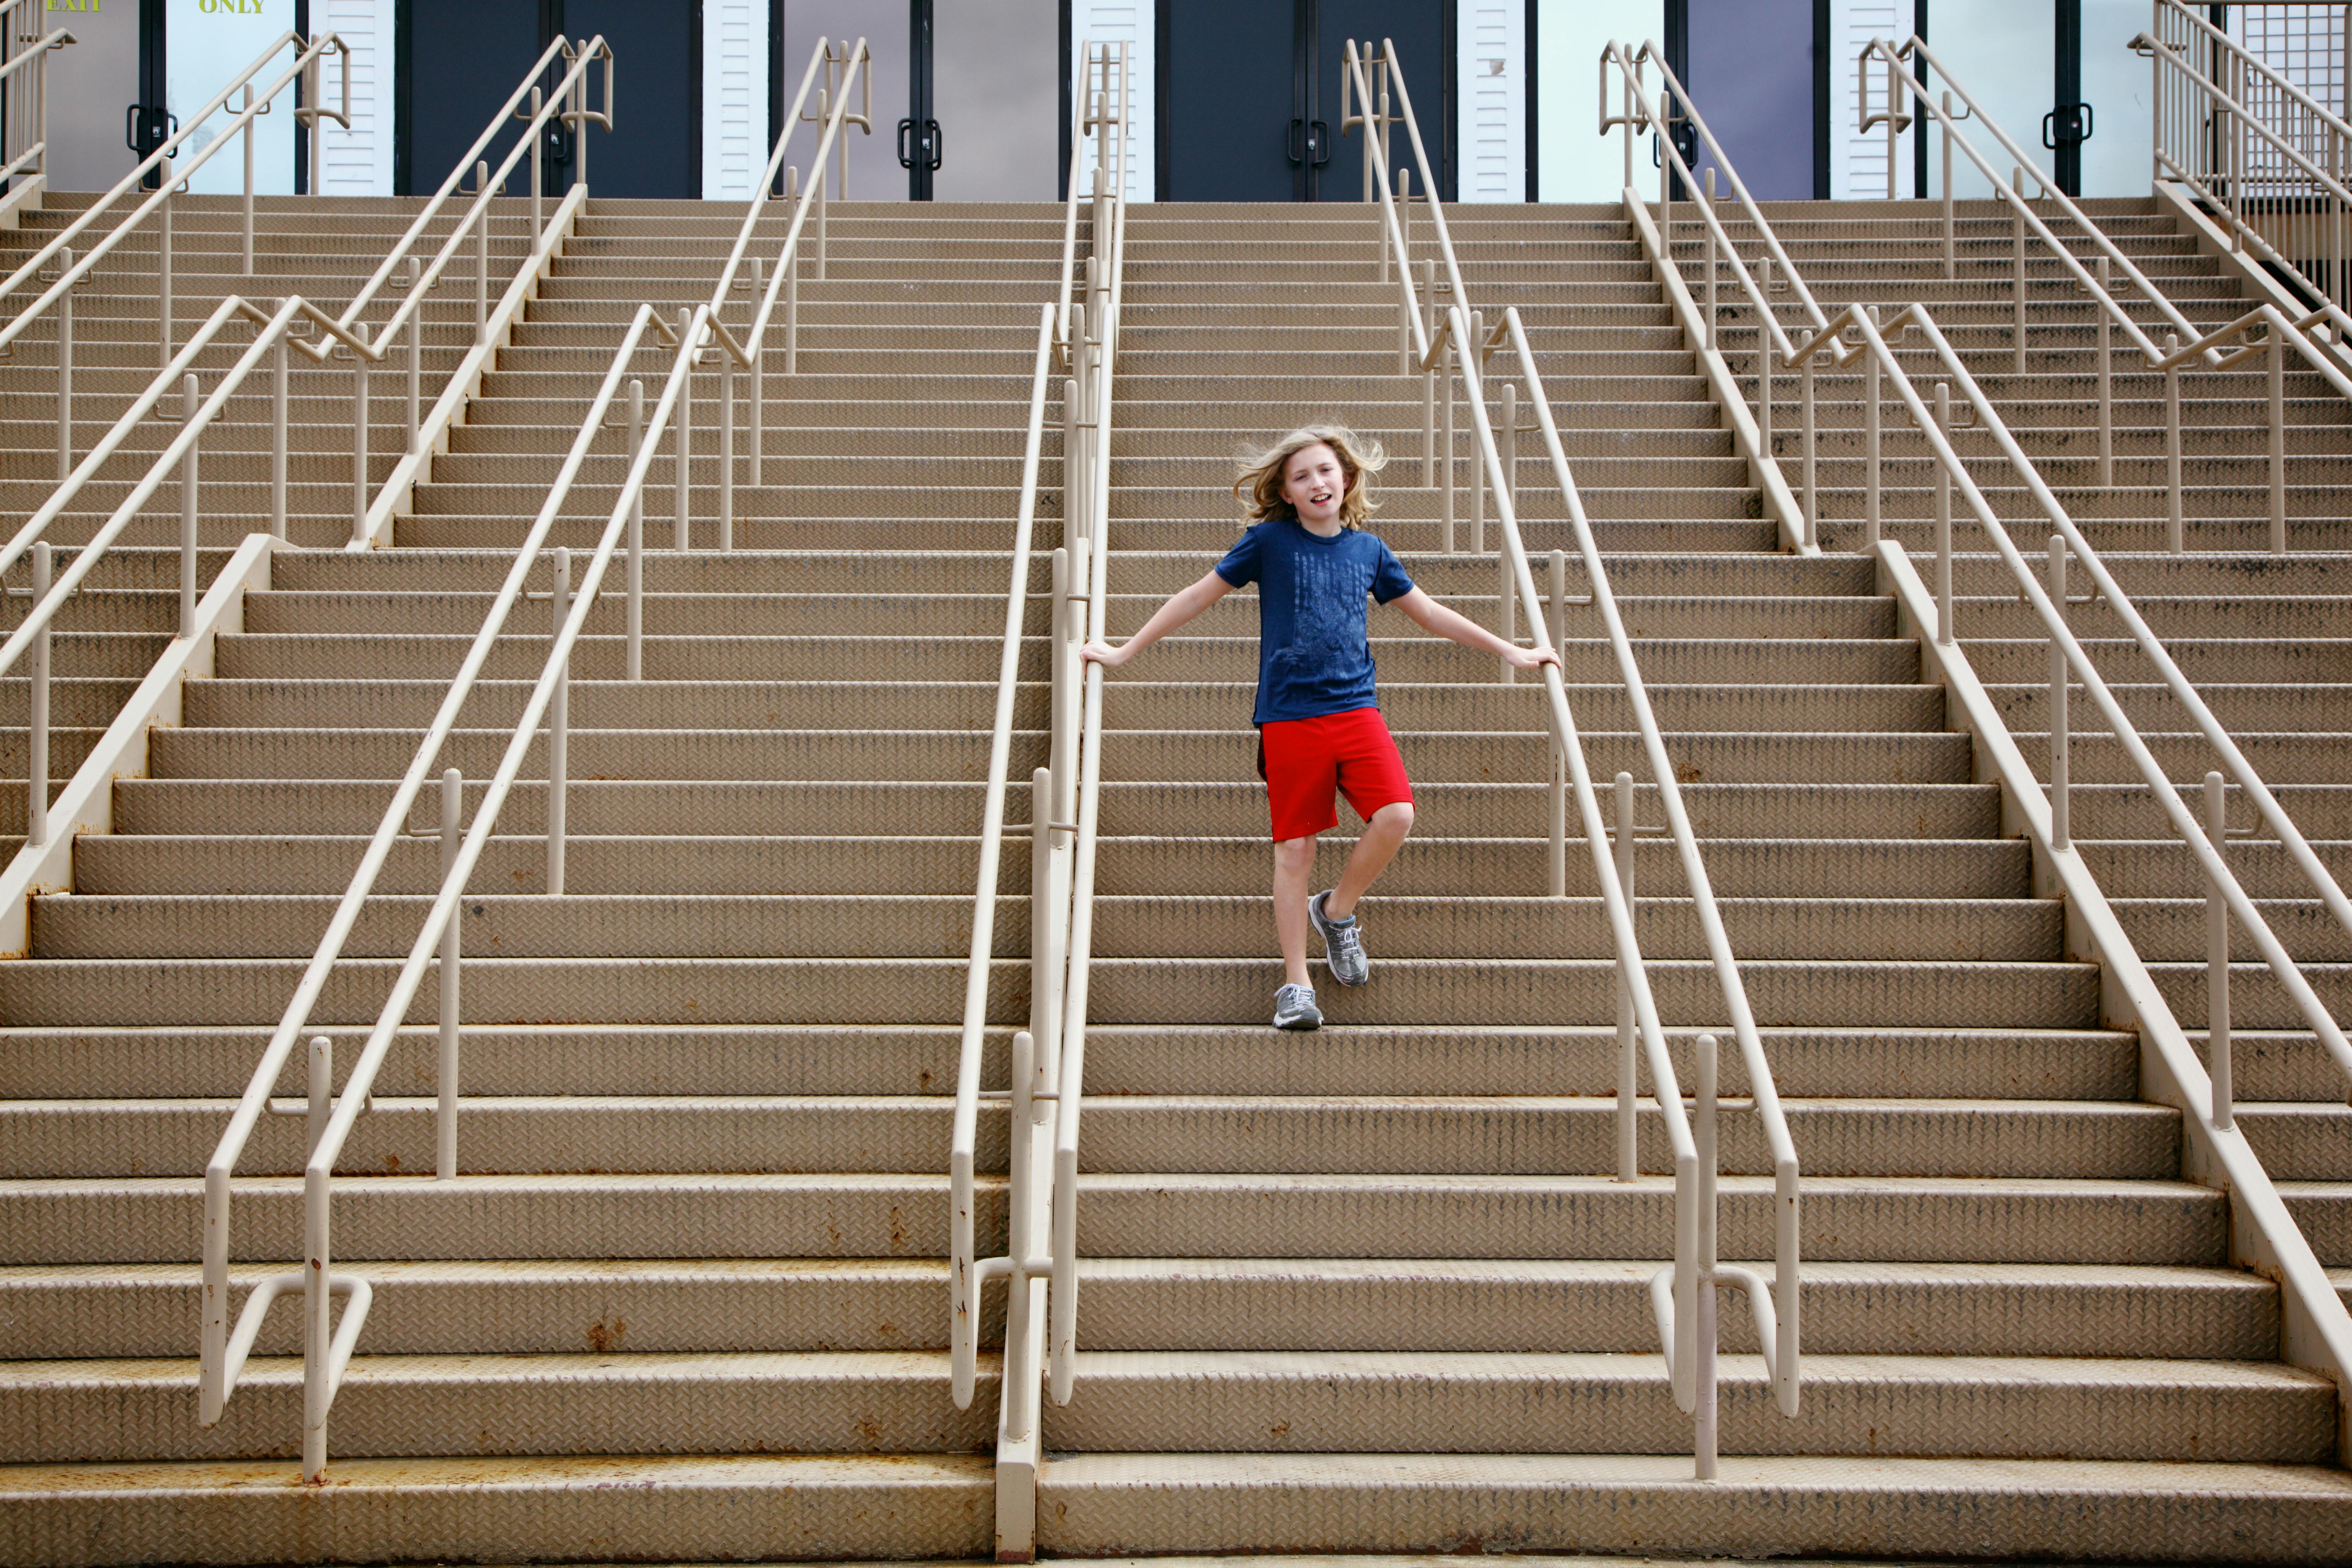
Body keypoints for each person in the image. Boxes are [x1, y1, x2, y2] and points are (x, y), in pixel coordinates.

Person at [1083, 424, 1560, 1030]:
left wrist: (1513, 651)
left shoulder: (1370, 552)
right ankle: (1297, 985)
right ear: (1285, 490)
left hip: (1356, 709)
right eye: (1302, 475)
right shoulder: (1268, 543)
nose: (1317, 482)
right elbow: (1197, 597)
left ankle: (1336, 913)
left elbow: (1430, 613)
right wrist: (1124, 651)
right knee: (1295, 850)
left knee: (1397, 815)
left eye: (1326, 471)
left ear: (1347, 480)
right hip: (1289, 715)